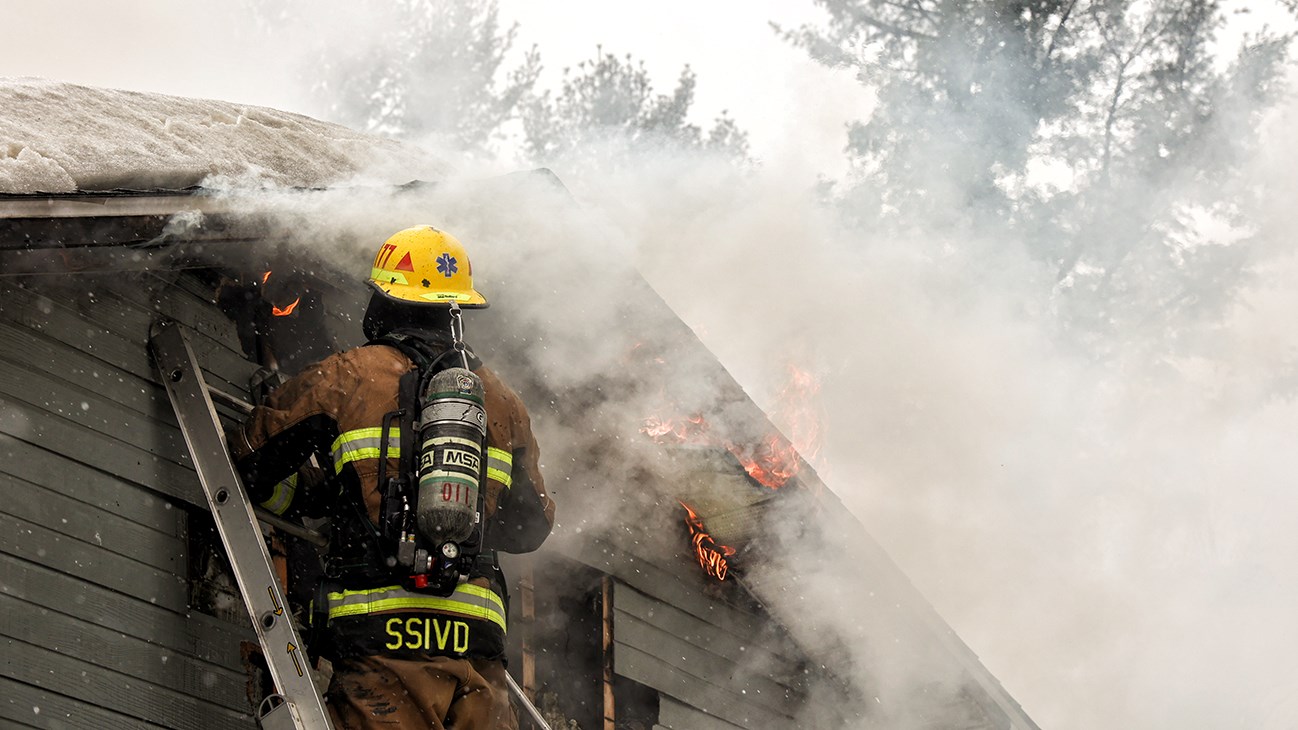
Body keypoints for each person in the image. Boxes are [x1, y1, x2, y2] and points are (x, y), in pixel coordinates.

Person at [229, 225, 555, 729]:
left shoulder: (346, 377)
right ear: (457, 312)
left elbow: (251, 460)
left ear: (384, 301)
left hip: (380, 640)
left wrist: (336, 497)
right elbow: (530, 527)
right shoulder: (503, 403)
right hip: (477, 646)